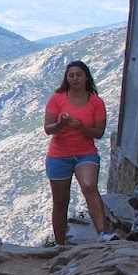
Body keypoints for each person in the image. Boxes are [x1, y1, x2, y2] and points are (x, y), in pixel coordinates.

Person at [43, 60, 113, 246]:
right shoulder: (57, 98)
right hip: (59, 154)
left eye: (78, 75)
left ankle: (102, 234)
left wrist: (82, 127)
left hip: (85, 152)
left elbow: (98, 133)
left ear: (86, 77)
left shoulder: (96, 102)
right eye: (71, 75)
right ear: (66, 78)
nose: (75, 78)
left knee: (89, 186)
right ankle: (60, 244)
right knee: (60, 201)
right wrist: (61, 125)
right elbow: (48, 128)